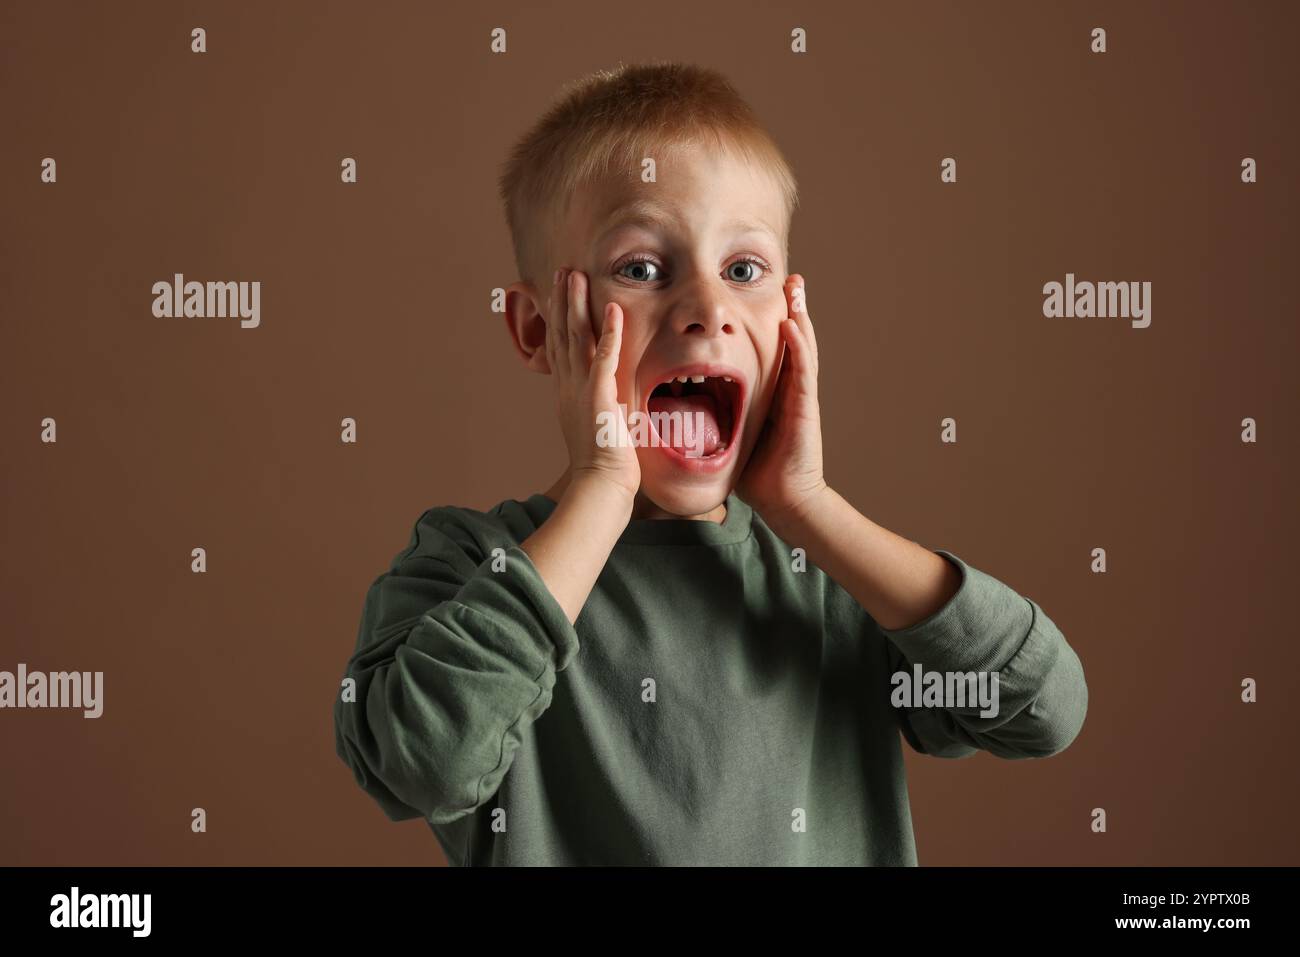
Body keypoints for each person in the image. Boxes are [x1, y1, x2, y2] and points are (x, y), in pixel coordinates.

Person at [333, 61, 1088, 865]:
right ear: (538, 327)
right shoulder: (465, 565)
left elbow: (1043, 708)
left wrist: (809, 506)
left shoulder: (831, 584)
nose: (707, 309)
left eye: (743, 270)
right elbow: (420, 764)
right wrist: (600, 489)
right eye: (641, 269)